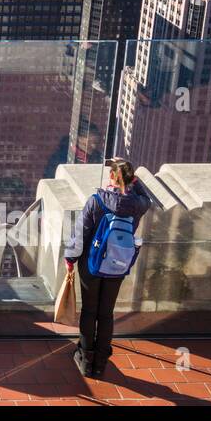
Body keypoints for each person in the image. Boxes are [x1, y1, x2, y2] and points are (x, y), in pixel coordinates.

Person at [63, 157, 152, 378]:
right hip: (118, 265)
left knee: (89, 311)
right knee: (106, 313)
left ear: (111, 177)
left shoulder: (97, 200)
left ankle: (85, 360)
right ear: (131, 179)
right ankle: (100, 363)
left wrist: (70, 259)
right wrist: (134, 180)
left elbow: (81, 234)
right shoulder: (137, 205)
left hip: (91, 265)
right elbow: (146, 198)